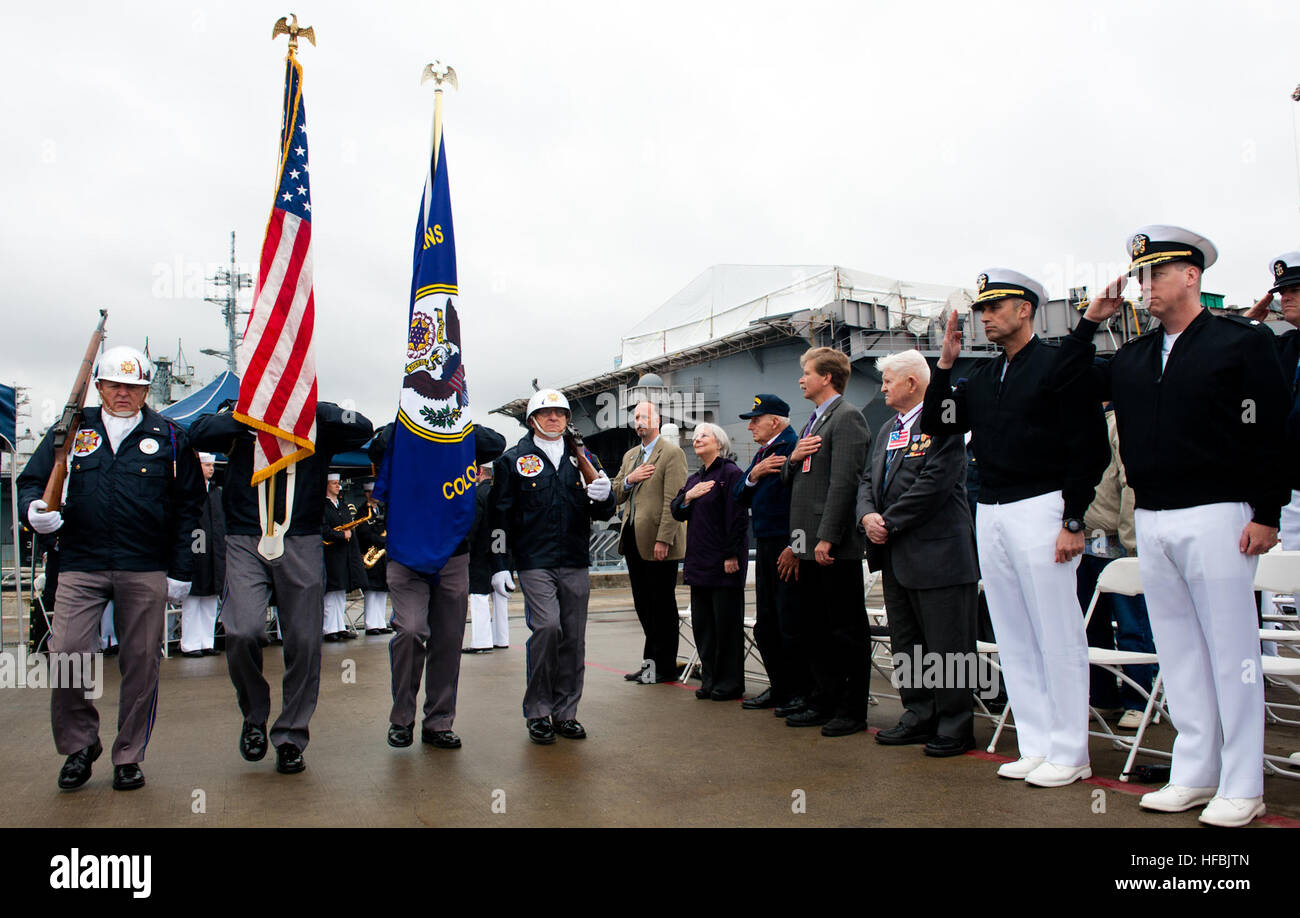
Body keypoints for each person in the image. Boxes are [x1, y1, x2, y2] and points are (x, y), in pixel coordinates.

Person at [1062, 226, 1289, 827]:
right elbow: (1065, 384)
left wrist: (1268, 510)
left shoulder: (1240, 342)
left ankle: (1243, 783)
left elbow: (1271, 430)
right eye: (1139, 275)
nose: (1144, 286)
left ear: (1191, 275)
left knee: (1231, 651)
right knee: (1181, 651)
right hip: (1153, 516)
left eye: (1155, 273)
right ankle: (1195, 772)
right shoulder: (1134, 355)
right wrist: (1089, 324)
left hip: (1220, 510)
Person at [921, 269, 1108, 787]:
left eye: (993, 307)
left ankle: (1071, 750)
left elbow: (1089, 444)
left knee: (1057, 632)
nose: (984, 317)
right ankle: (1035, 742)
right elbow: (938, 423)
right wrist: (945, 365)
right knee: (1014, 633)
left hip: (1043, 504)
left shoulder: (1056, 365)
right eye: (981, 309)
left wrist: (1074, 516)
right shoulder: (982, 377)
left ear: (1025, 309)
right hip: (995, 509)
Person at [19, 345, 204, 791]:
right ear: (99, 386)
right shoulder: (69, 430)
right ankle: (79, 745)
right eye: (115, 385)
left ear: (145, 391)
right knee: (66, 654)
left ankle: (128, 753)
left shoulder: (172, 437)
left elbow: (190, 510)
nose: (124, 393)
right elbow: (31, 481)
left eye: (134, 386)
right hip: (79, 563)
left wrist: (182, 571)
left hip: (144, 565)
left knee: (141, 662)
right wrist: (35, 511)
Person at [188, 399, 373, 775]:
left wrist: (308, 409)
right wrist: (248, 415)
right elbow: (199, 431)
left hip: (300, 536)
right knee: (242, 629)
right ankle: (254, 714)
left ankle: (291, 735)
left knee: (304, 640)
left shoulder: (319, 420)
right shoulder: (241, 417)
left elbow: (363, 427)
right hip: (245, 535)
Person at [857, 349, 980, 757]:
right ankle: (918, 713)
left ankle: (955, 724)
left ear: (912, 383)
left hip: (939, 556)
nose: (883, 388)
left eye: (889, 380)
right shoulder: (889, 428)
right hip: (895, 557)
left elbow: (937, 481)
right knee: (907, 643)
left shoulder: (944, 421)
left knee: (948, 645)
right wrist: (868, 516)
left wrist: (887, 522)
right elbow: (868, 480)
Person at [489, 389, 615, 744]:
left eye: (560, 414)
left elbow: (603, 510)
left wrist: (607, 494)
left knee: (574, 638)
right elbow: (499, 515)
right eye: (547, 414)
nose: (555, 419)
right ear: (532, 421)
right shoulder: (513, 461)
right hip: (535, 561)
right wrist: (500, 564)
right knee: (547, 629)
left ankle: (566, 713)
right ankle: (538, 711)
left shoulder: (583, 457)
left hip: (575, 559)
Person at [373, 423, 507, 750]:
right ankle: (402, 718)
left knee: (448, 641)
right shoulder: (397, 434)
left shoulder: (459, 437)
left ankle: (438, 721)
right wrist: (415, 422)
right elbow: (377, 445)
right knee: (410, 630)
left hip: (452, 554)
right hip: (407, 554)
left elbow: (495, 442)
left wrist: (452, 423)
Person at [779, 346, 872, 737]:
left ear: (827, 377)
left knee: (844, 630)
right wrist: (792, 458)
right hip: (808, 545)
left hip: (831, 548)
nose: (801, 379)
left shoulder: (847, 418)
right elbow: (794, 480)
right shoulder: (813, 423)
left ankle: (851, 710)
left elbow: (844, 484)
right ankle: (824, 699)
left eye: (806, 372)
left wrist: (827, 538)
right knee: (816, 628)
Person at [1075, 405, 1155, 729]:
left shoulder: (1117, 422)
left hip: (1114, 540)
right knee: (1091, 625)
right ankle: (1103, 696)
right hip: (1085, 539)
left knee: (1131, 624)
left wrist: (1130, 542)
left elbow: (1129, 482)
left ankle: (1139, 700)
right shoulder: (1083, 421)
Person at [733, 394, 808, 715]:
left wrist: (797, 547)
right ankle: (779, 686)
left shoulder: (793, 448)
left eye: (756, 419)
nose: (750, 426)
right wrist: (756, 473)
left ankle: (798, 691)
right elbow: (739, 494)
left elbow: (803, 501)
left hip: (786, 545)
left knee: (790, 620)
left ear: (774, 421)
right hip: (764, 543)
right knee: (767, 623)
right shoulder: (766, 453)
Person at [669, 423, 750, 701]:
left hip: (723, 564)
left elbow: (737, 517)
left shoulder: (731, 474)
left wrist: (731, 554)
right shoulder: (695, 480)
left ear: (719, 443)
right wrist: (688, 497)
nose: (696, 439)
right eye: (696, 436)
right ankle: (710, 680)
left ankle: (729, 683)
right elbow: (677, 512)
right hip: (699, 564)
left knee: (726, 626)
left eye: (704, 435)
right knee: (704, 627)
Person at [612, 400, 687, 684]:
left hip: (658, 542)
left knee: (661, 606)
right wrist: (630, 479)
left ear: (656, 420)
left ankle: (665, 667)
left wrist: (664, 538)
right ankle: (650, 664)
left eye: (643, 417)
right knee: (643, 605)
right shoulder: (631, 455)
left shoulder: (672, 453)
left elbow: (673, 499)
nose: (638, 422)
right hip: (632, 538)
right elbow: (616, 492)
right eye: (635, 418)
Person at [180, 452, 226, 657]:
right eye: (207, 465)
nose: (211, 468)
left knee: (209, 600)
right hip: (196, 552)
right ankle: (190, 643)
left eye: (212, 465)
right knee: (193, 601)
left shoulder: (216, 492)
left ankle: (207, 641)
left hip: (215, 552)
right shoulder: (188, 491)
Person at [465, 458, 510, 653]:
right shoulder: (502, 494)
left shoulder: (477, 495)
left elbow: (473, 526)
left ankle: (481, 640)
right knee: (500, 596)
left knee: (478, 596)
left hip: (480, 552)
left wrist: (467, 548)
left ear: (478, 472)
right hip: (501, 550)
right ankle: (501, 637)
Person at [322, 473, 365, 641]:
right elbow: (324, 529)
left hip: (343, 554)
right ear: (326, 486)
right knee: (331, 592)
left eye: (338, 483)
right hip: (331, 553)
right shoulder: (323, 507)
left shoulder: (343, 506)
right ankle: (329, 628)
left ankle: (339, 626)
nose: (337, 486)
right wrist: (341, 536)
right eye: (333, 483)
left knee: (340, 592)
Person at [354, 481, 391, 635]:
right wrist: (382, 540)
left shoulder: (381, 509)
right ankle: (370, 624)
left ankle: (380, 622)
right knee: (371, 591)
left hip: (382, 556)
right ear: (367, 493)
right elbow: (364, 533)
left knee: (382, 590)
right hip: (370, 554)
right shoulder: (363, 512)